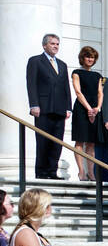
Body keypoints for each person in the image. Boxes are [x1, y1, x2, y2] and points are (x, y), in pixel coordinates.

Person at [25, 34, 73, 180]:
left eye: (57, 44)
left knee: (57, 143)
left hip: (59, 109)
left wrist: (68, 107)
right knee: (43, 141)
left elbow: (66, 87)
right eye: (52, 43)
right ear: (45, 45)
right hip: (43, 108)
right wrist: (34, 104)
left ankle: (52, 172)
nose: (55, 46)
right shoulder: (35, 61)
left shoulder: (63, 64)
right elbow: (31, 84)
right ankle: (42, 172)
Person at [70, 46, 104, 181]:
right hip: (81, 109)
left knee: (91, 143)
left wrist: (97, 108)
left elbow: (100, 93)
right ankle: (81, 172)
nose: (90, 59)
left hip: (95, 110)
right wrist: (89, 108)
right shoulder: (76, 72)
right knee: (80, 141)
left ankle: (91, 172)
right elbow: (78, 92)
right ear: (82, 58)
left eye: (92, 57)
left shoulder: (97, 76)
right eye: (87, 56)